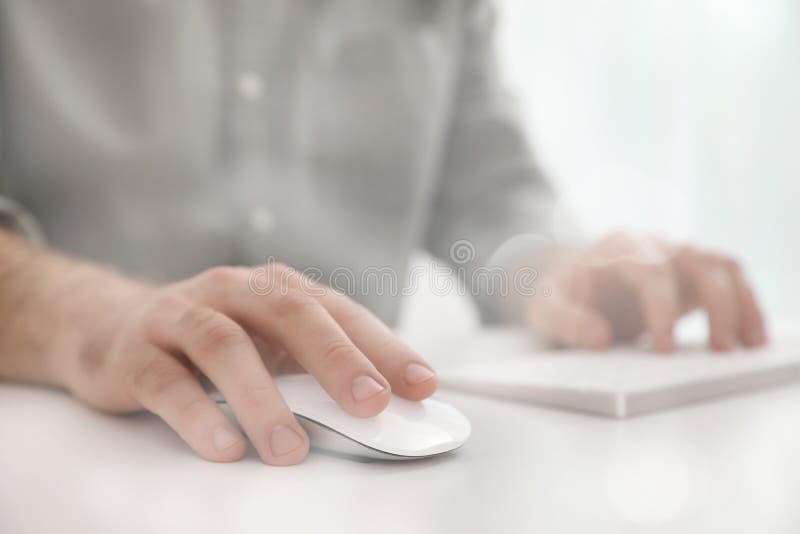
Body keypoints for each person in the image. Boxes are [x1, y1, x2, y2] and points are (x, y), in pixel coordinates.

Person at [0, 1, 765, 466]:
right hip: (65, 444)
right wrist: (88, 319)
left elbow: (487, 201)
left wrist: (555, 277)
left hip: (354, 454)